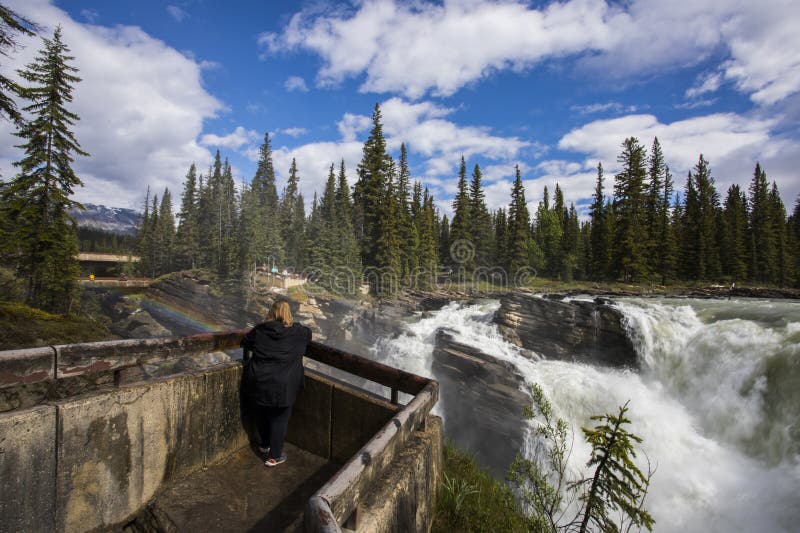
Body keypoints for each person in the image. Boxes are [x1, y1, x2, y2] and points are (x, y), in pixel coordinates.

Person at [241, 300, 311, 467]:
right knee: (279, 419)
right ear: (289, 314)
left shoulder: (260, 330)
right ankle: (274, 456)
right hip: (283, 385)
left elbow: (246, 342)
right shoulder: (298, 332)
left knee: (261, 413)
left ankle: (265, 445)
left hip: (259, 380)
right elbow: (308, 334)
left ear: (271, 312)